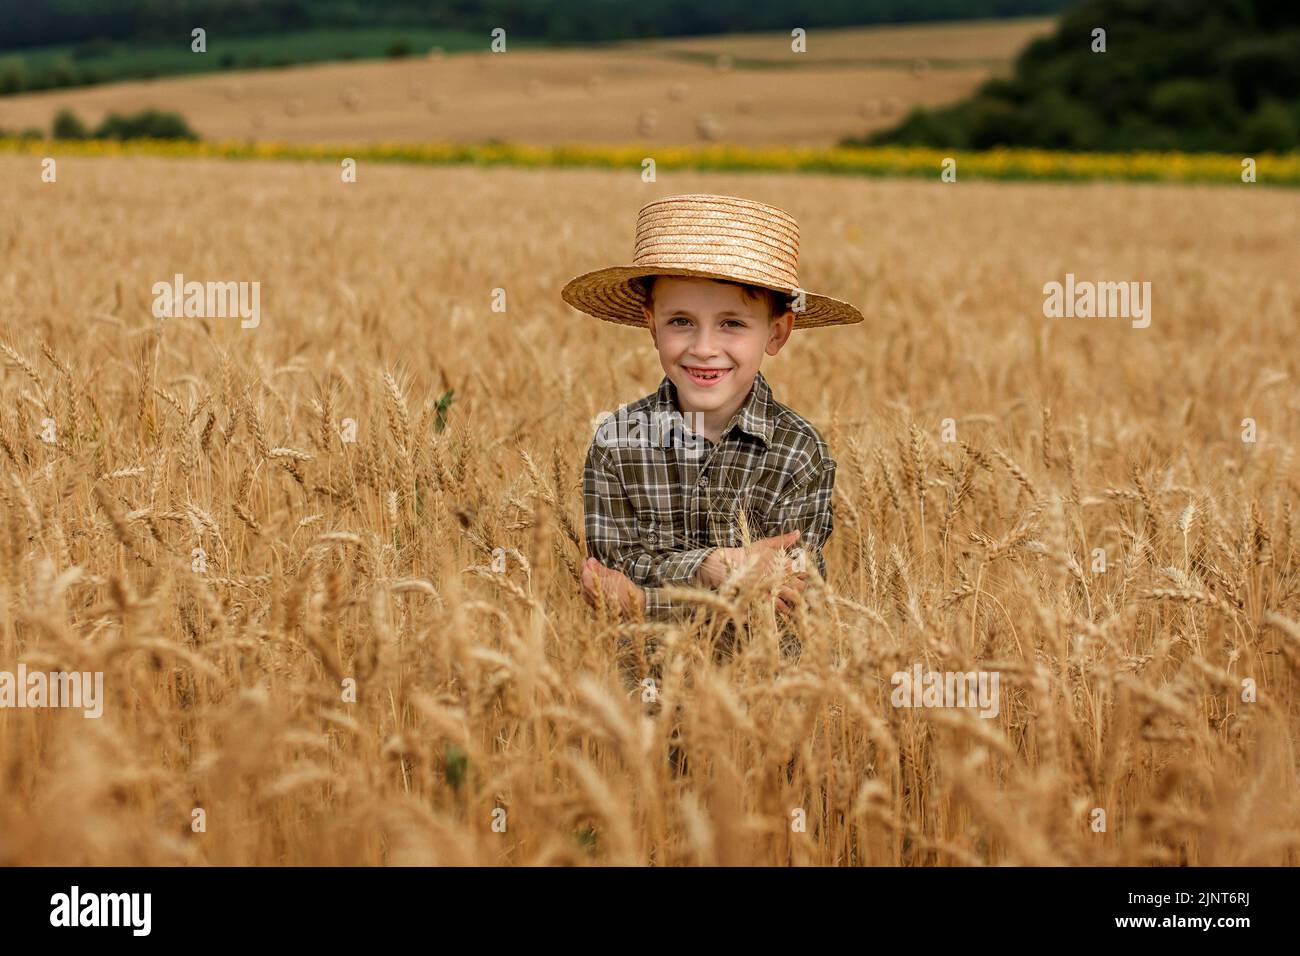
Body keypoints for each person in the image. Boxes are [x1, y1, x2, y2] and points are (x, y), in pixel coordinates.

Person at [560, 193, 864, 626]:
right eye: (680, 321)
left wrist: (645, 604)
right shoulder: (616, 443)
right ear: (651, 324)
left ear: (776, 333)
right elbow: (609, 575)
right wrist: (712, 568)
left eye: (732, 323)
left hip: (764, 684)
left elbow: (782, 605)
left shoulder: (799, 453)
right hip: (631, 683)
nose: (703, 349)